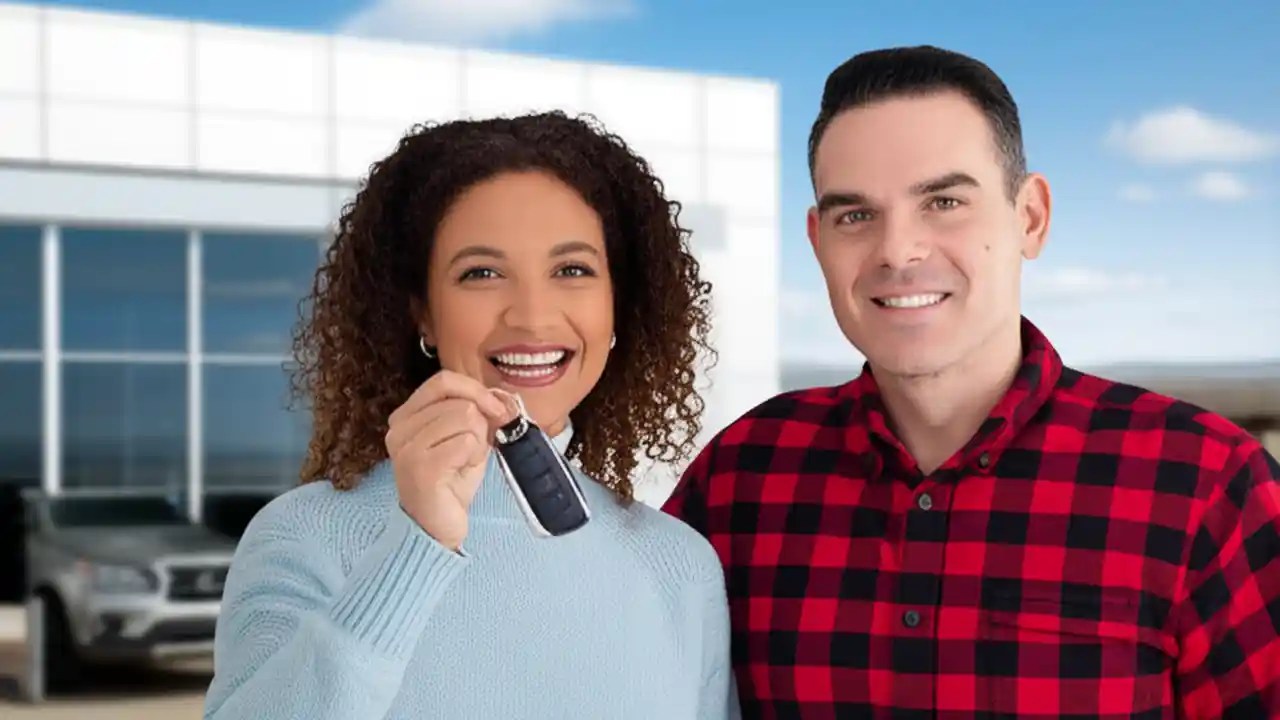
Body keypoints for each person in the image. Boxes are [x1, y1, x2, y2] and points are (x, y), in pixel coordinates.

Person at [663, 45, 1280, 718]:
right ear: (818, 241)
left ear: (1030, 218)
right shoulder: (739, 479)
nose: (899, 250)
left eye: (944, 201)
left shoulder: (1208, 486)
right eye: (855, 215)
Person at [203, 111, 738, 719]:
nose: (533, 317)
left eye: (573, 270)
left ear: (619, 306)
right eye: (481, 273)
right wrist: (418, 545)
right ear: (422, 314)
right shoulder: (306, 536)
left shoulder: (678, 564)